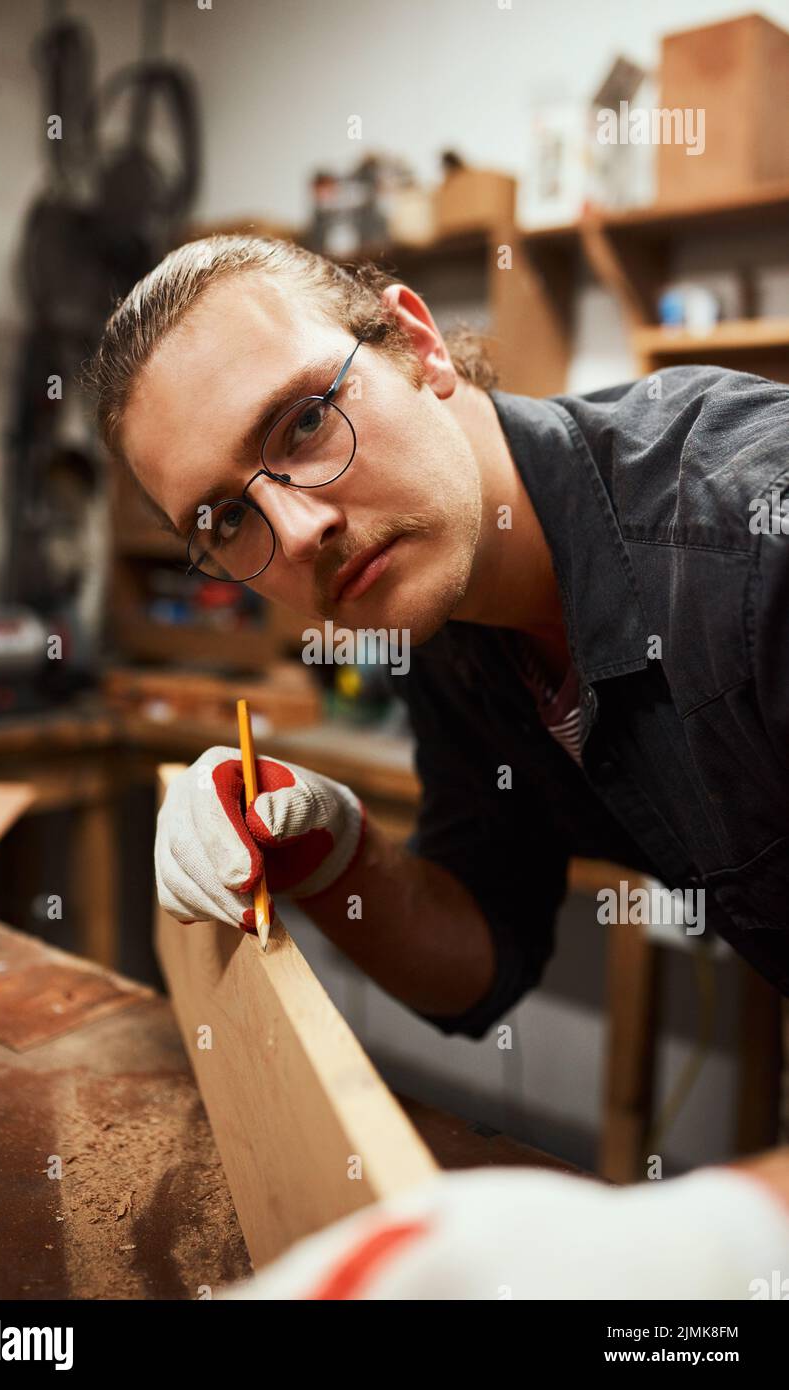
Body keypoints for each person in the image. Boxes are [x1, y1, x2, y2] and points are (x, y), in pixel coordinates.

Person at [84, 237, 789, 1285]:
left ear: (417, 343)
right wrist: (329, 850)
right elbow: (484, 953)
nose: (302, 526)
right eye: (227, 518)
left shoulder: (748, 535)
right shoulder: (441, 608)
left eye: (306, 422)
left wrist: (718, 1240)